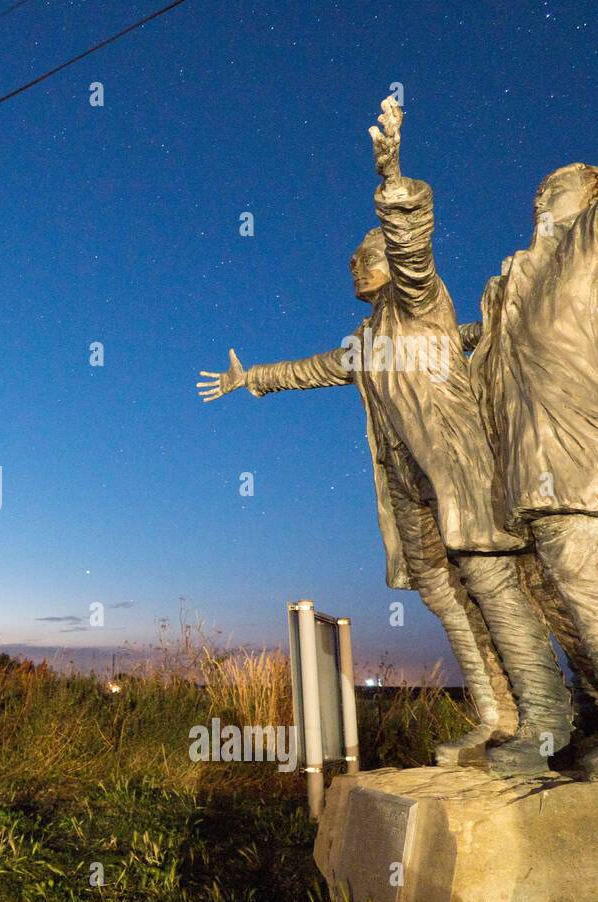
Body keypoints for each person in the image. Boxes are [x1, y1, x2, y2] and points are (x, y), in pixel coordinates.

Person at [197, 98, 570, 772]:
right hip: (408, 486)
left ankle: (547, 717)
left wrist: (392, 184)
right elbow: (314, 368)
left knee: (491, 583)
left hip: (460, 474)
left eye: (362, 255)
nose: (353, 265)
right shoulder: (367, 340)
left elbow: (413, 249)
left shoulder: (420, 303)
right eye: (353, 259)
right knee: (443, 594)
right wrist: (249, 376)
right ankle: (496, 717)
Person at [464, 161, 598, 772]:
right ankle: (581, 725)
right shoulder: (510, 284)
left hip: (579, 467)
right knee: (563, 607)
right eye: (539, 187)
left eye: (563, 184)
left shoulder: (588, 246)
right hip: (526, 482)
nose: (544, 192)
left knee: (589, 596)